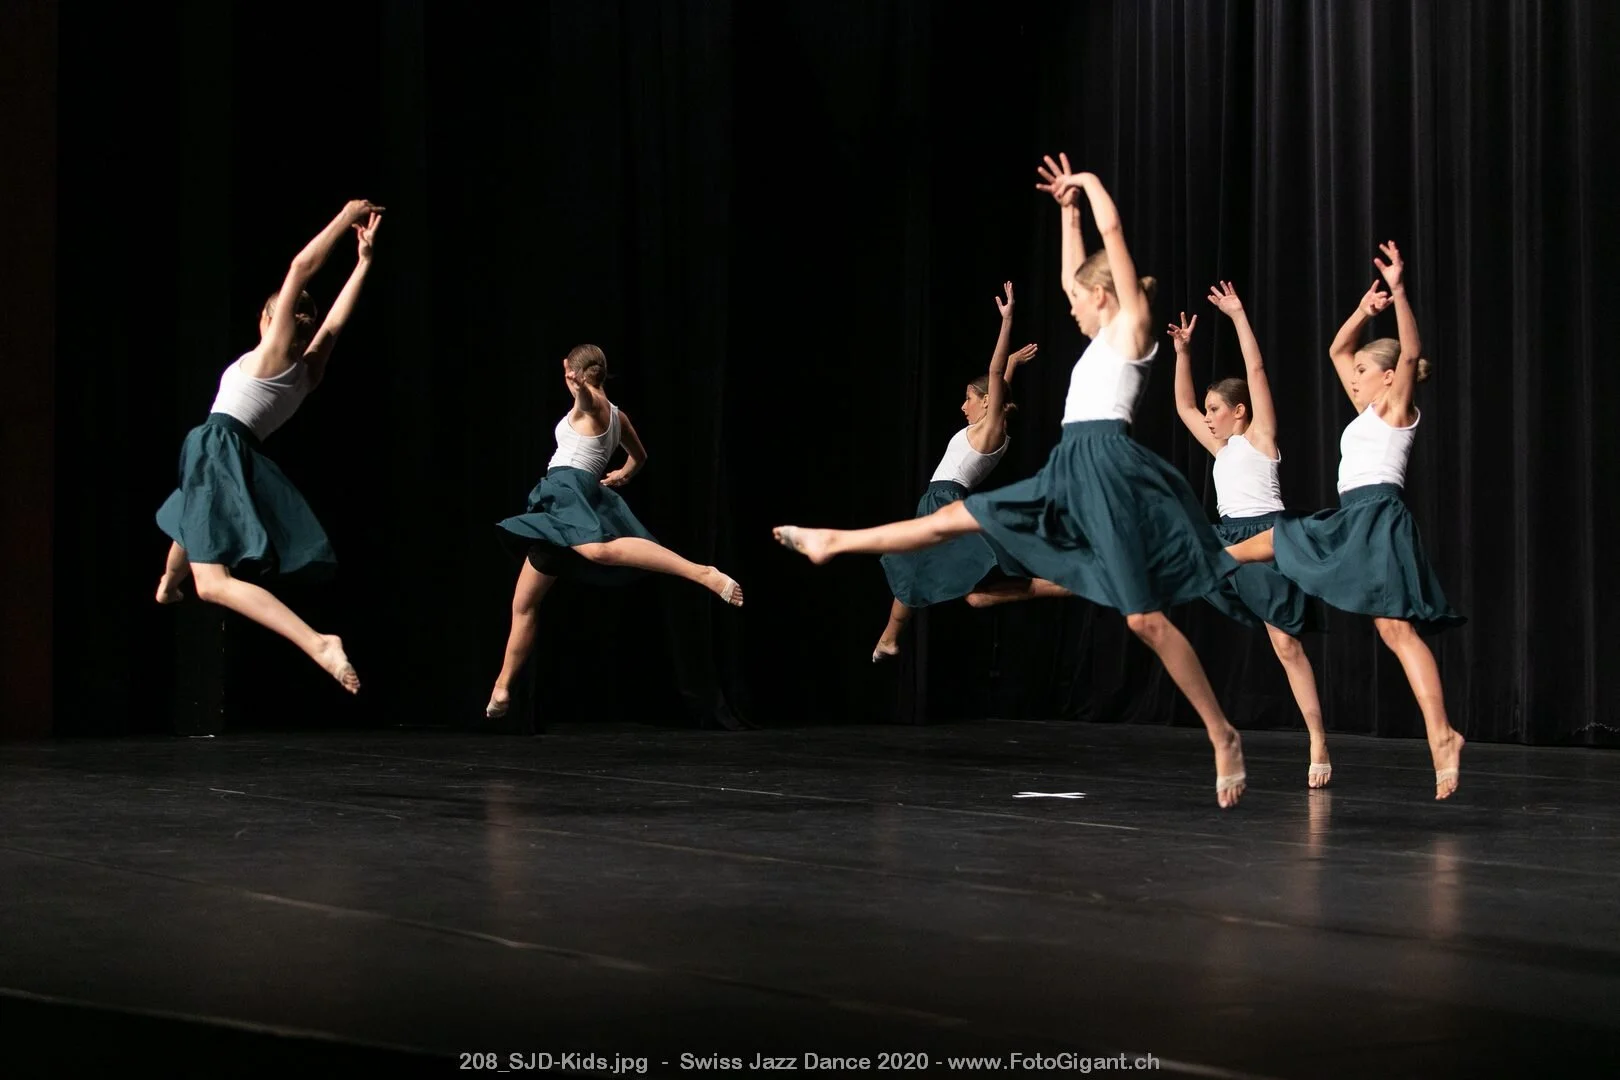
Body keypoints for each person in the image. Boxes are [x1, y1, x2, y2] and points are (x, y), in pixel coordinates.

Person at [774, 156, 1248, 808]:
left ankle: (1222, 735)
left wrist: (1093, 190)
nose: (1071, 310)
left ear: (1105, 297)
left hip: (1107, 466)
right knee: (949, 519)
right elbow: (1070, 270)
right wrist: (1065, 212)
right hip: (1066, 464)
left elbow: (1114, 240)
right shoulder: (1097, 332)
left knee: (1146, 623)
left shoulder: (1132, 330)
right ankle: (834, 541)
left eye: (1079, 301)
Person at [1223, 243, 1466, 799]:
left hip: (1377, 516)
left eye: (1363, 371)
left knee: (1395, 629)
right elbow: (1337, 348)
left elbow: (1409, 354)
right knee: (1276, 542)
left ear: (1387, 378)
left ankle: (1442, 736)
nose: (1352, 377)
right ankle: (1204, 560)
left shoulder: (1398, 407)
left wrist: (1399, 293)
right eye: (1354, 373)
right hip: (1352, 517)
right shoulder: (1365, 411)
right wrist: (1362, 310)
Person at [155, 199, 385, 694]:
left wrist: (345, 216)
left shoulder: (273, 352)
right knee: (193, 509)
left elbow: (301, 267)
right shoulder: (307, 371)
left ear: (272, 320)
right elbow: (335, 326)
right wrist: (363, 263)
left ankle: (319, 642)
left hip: (221, 442)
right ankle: (170, 583)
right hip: (230, 449)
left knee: (212, 584)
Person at [485, 345, 744, 719]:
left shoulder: (589, 404)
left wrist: (579, 387)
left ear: (572, 374)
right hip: (567, 500)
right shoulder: (619, 418)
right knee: (523, 604)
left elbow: (589, 401)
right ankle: (502, 688)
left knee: (597, 551)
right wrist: (622, 474)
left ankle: (701, 573)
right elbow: (639, 457)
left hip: (568, 490)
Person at [1168, 283, 1331, 787]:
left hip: (1266, 538)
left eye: (1218, 408)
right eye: (1210, 408)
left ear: (1239, 411)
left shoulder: (1259, 438)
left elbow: (1256, 373)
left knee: (1285, 646)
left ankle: (1318, 739)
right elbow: (1182, 407)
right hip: (1228, 538)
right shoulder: (1220, 450)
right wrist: (1182, 353)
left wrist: (1238, 316)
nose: (1209, 416)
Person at [872, 282, 1037, 663]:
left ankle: (890, 637)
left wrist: (1007, 322)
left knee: (910, 564)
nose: (963, 405)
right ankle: (890, 638)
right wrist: (1012, 364)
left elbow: (995, 375)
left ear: (986, 401)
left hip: (946, 499)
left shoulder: (991, 428)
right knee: (955, 587)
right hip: (939, 499)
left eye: (969, 397)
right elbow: (1002, 380)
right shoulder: (987, 424)